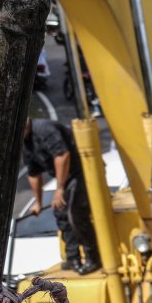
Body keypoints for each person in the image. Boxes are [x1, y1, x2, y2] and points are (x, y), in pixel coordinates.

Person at [23, 118, 100, 275]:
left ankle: (93, 258)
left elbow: (62, 155)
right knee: (61, 214)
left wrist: (59, 189)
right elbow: (33, 174)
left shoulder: (44, 129)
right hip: (64, 178)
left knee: (75, 214)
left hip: (78, 172)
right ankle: (73, 259)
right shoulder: (26, 142)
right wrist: (37, 202)